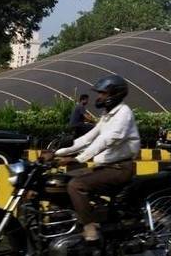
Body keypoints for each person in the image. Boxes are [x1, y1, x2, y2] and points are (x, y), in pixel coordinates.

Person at [54, 75, 141, 244]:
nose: (99, 97)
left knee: (76, 185)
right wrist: (57, 153)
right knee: (63, 180)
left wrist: (77, 159)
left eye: (103, 94)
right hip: (104, 167)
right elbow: (87, 138)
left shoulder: (124, 114)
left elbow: (106, 140)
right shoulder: (107, 115)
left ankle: (89, 226)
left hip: (119, 169)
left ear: (115, 94)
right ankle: (72, 219)